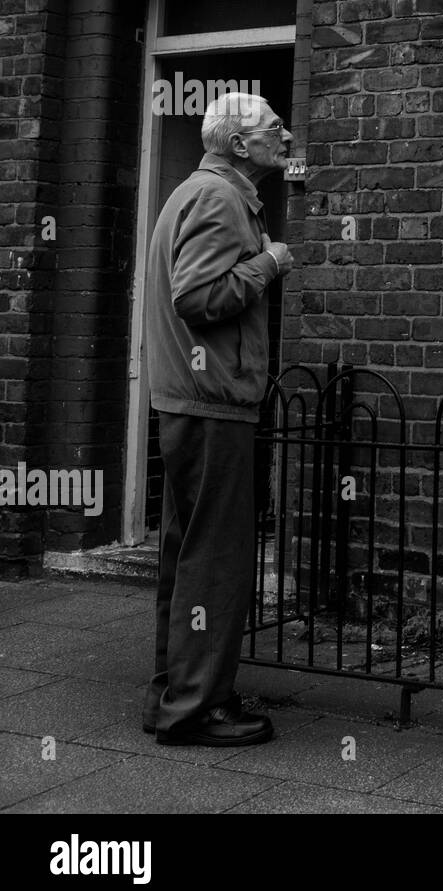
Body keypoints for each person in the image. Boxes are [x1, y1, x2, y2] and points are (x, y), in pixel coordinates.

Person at [143, 92, 294, 746]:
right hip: (212, 403)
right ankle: (200, 709)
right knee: (217, 560)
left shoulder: (191, 191)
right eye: (270, 128)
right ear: (238, 143)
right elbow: (197, 296)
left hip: (185, 400)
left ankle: (173, 693)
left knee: (185, 553)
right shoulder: (220, 199)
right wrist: (270, 263)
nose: (283, 132)